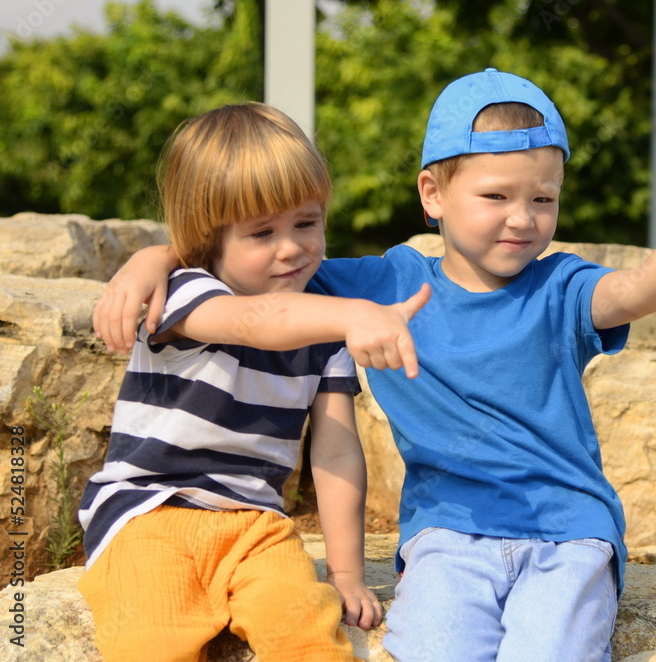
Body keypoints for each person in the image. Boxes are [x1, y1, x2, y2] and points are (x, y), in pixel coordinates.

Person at [94, 69, 656, 661]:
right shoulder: (380, 288)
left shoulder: (560, 286)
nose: (522, 218)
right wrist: (155, 258)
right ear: (432, 193)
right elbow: (246, 278)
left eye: (544, 199)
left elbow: (630, 292)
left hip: (568, 528)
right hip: (447, 532)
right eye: (496, 195)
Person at [78, 101, 431, 662]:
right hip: (150, 514)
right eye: (262, 232)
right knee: (152, 640)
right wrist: (354, 313)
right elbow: (255, 322)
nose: (290, 247)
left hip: (257, 527)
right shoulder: (187, 291)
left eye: (306, 223)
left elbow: (336, 450)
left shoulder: (323, 331)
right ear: (209, 239)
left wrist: (345, 573)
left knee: (308, 632)